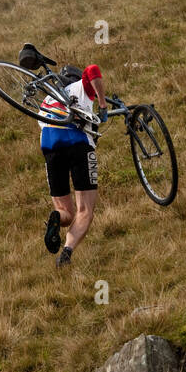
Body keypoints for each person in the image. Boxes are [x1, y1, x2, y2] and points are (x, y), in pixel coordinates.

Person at [19, 44, 109, 269]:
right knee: (85, 210)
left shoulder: (46, 102)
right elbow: (94, 69)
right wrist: (102, 103)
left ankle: (56, 218)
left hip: (50, 146)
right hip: (76, 143)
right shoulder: (80, 87)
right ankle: (67, 252)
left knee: (66, 213)